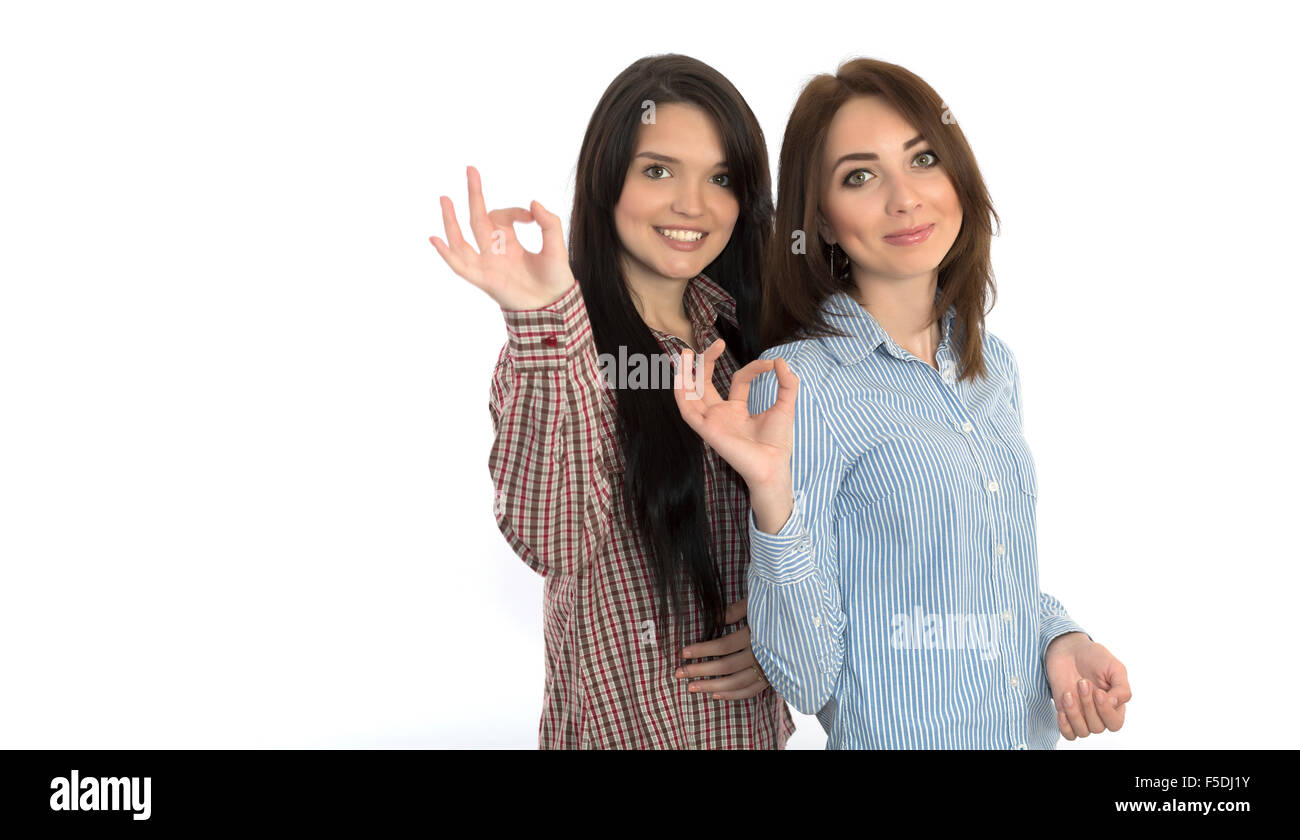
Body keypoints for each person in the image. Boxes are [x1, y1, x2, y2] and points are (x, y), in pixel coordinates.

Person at [672, 57, 1132, 749]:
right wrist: (771, 497)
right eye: (860, 176)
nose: (904, 199)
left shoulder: (992, 366)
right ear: (821, 221)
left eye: (923, 160)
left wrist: (1060, 639)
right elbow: (806, 675)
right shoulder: (798, 384)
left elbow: (981, 576)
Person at [429, 54, 794, 748]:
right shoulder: (561, 349)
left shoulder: (750, 340)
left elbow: (816, 525)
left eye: (721, 178)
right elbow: (554, 541)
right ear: (608, 181)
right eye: (659, 170)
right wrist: (543, 318)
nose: (693, 204)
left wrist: (783, 633)